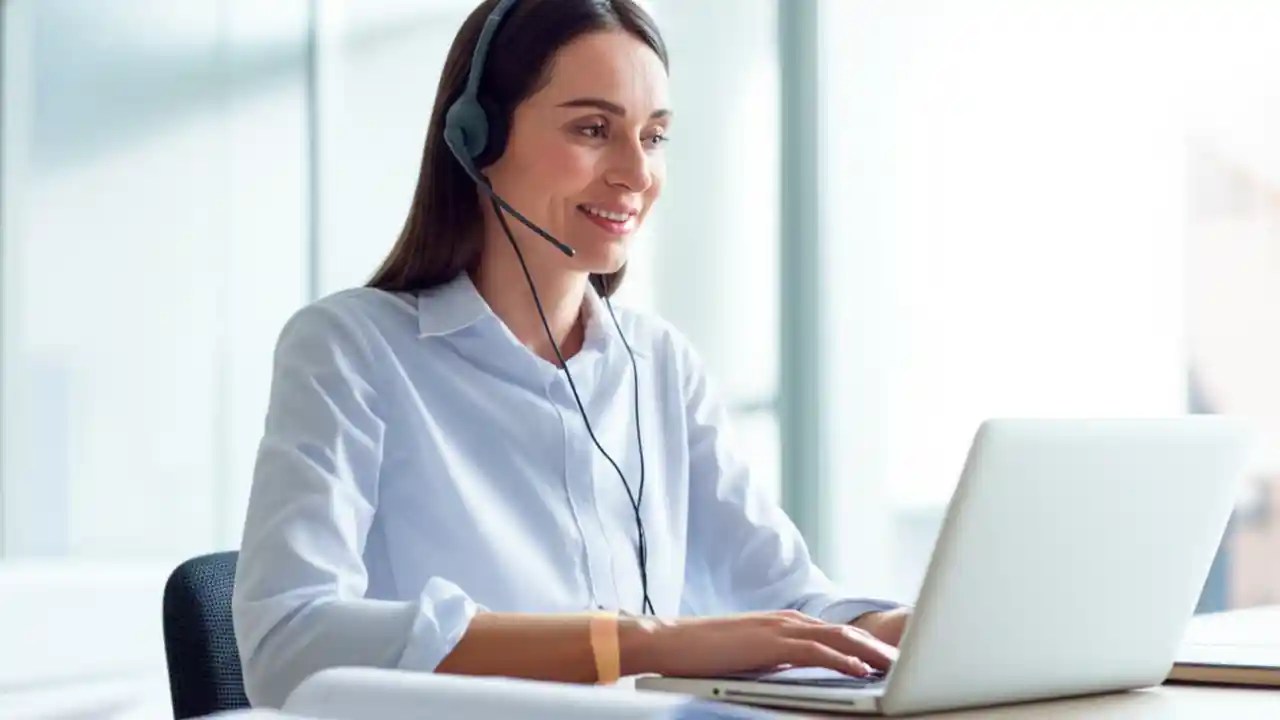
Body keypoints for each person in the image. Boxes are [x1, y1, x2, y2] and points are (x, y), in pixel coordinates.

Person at [232, 0, 909, 709]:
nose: (636, 173)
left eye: (653, 137)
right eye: (593, 129)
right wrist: (640, 640)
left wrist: (924, 629)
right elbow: (289, 644)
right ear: (477, 138)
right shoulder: (352, 349)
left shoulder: (659, 366)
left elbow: (793, 601)